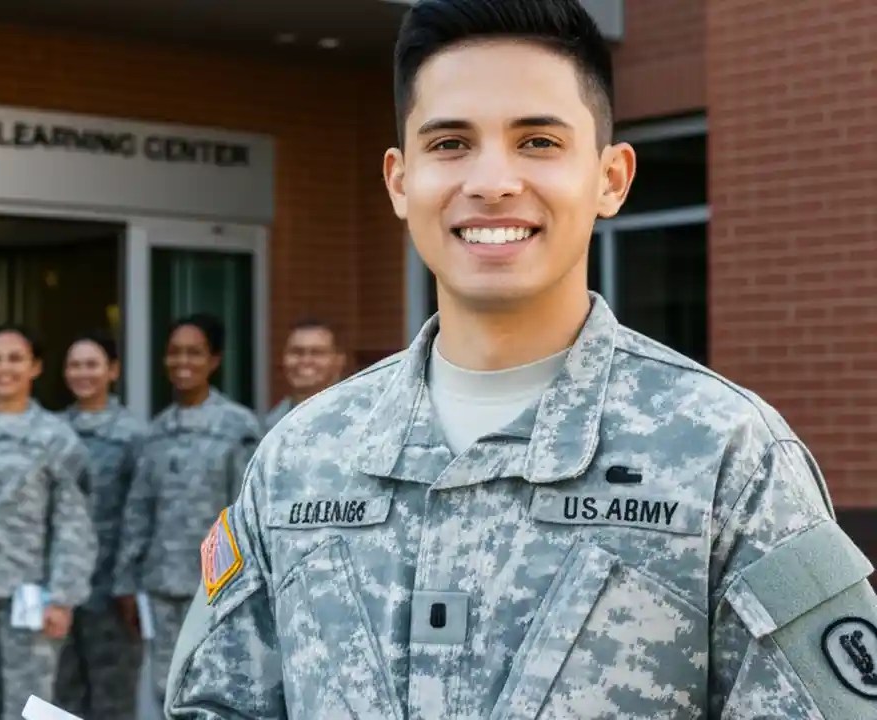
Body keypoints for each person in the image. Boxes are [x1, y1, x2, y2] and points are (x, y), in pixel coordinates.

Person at [165, 0, 877, 717]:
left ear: (611, 177)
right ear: (399, 180)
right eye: (449, 144)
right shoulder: (301, 458)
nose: (493, 180)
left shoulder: (725, 454)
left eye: (537, 141)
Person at [112, 313, 262, 709]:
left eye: (194, 353)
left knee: (212, 689)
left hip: (216, 586)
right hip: (161, 583)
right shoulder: (155, 432)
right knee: (166, 688)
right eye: (175, 352)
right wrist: (126, 580)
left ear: (214, 361)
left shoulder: (238, 426)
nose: (183, 362)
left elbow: (247, 512)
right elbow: (138, 512)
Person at [0, 326, 96, 720]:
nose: (3, 368)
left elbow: (73, 525)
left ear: (35, 367)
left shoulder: (56, 438)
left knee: (30, 709)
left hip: (31, 596)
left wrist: (63, 597)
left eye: (15, 358)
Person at [54, 332, 148, 720]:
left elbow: (139, 514)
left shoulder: (134, 435)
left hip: (111, 589)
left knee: (113, 698)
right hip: (60, 587)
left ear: (113, 371)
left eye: (92, 364)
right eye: (75, 365)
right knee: (59, 696)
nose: (83, 373)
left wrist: (128, 583)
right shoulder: (53, 431)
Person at [264, 318, 346, 431]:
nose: (306, 361)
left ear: (339, 360)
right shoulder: (269, 426)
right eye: (296, 352)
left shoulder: (362, 417)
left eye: (317, 353)